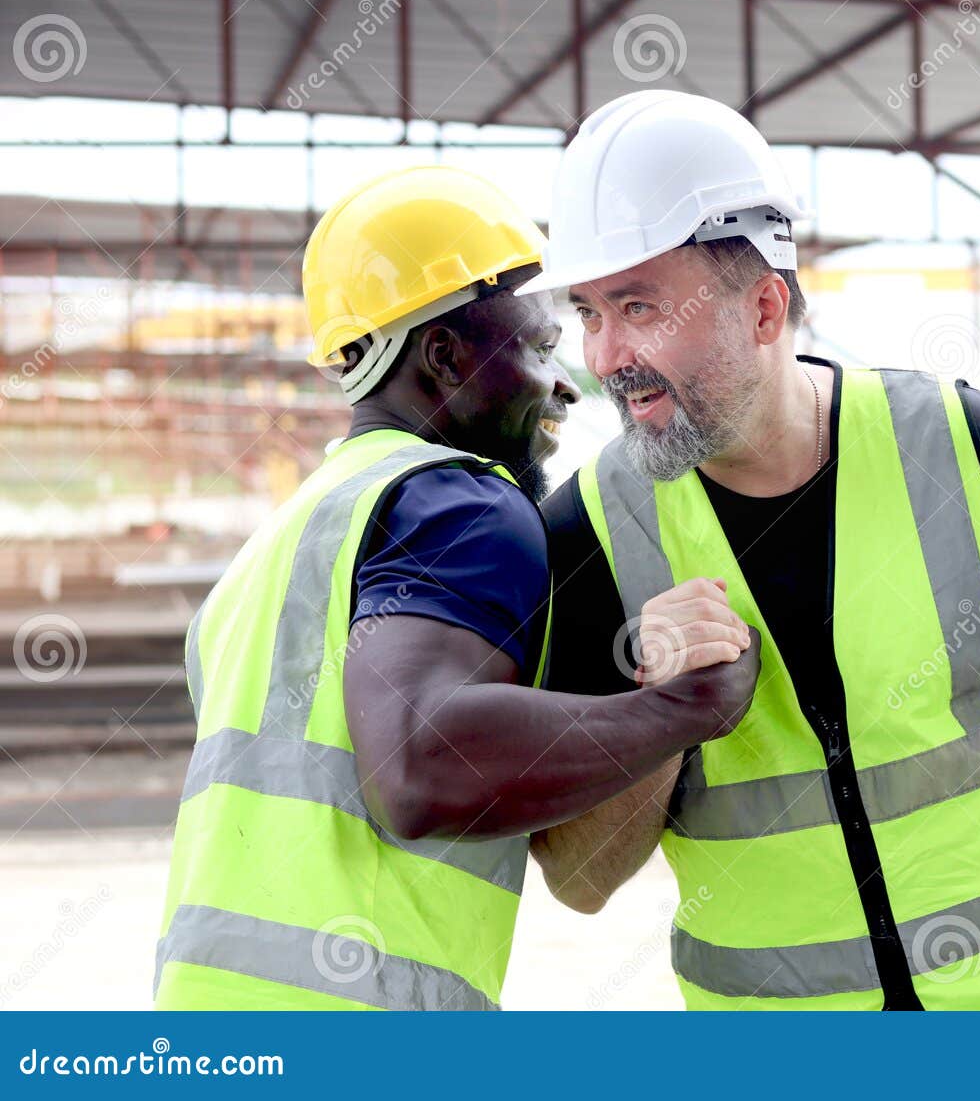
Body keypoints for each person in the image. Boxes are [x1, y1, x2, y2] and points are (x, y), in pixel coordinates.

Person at [526, 91, 980, 1011]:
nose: (606, 354)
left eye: (638, 305)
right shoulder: (587, 532)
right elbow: (580, 880)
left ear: (762, 309)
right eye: (589, 311)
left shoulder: (976, 453)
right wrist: (660, 716)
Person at [154, 165, 760, 1011]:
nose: (567, 383)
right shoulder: (461, 500)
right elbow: (418, 767)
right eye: (541, 347)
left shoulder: (281, 545)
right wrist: (683, 710)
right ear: (444, 357)